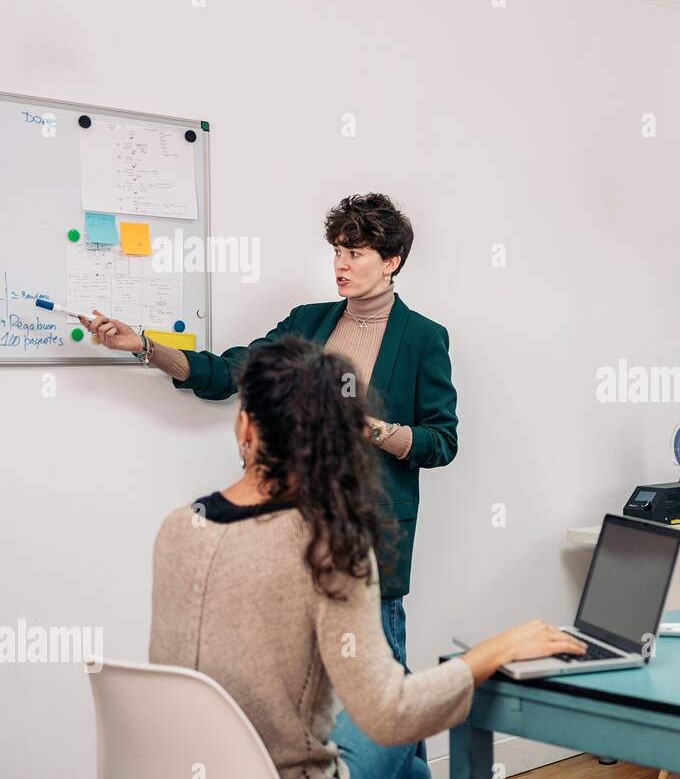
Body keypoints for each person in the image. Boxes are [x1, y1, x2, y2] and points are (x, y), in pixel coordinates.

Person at [148, 337, 585, 779]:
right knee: (399, 722)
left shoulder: (179, 527)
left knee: (415, 778)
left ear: (245, 425)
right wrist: (493, 651)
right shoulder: (329, 545)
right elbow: (390, 713)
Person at [83, 192, 447, 664]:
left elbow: (441, 440)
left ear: (391, 261)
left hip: (370, 535)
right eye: (337, 251)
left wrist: (373, 430)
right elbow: (233, 370)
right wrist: (147, 347)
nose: (340, 264)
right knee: (301, 677)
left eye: (354, 253)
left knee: (381, 686)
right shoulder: (308, 321)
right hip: (293, 526)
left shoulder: (423, 337)